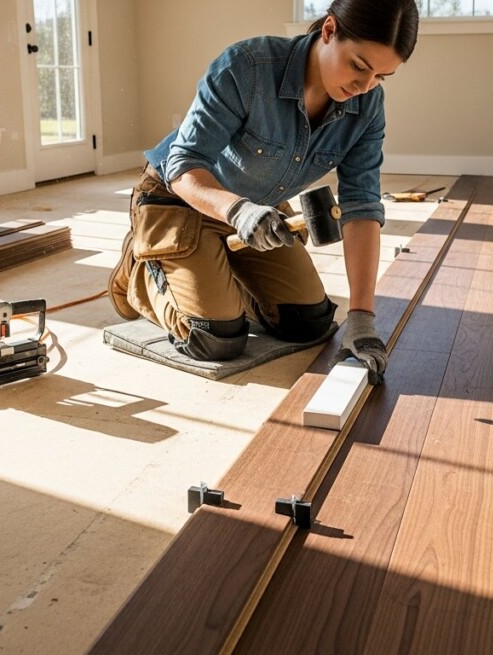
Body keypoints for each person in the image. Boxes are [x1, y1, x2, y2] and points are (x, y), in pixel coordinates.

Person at [109, 0, 419, 384]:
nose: (364, 86)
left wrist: (361, 317)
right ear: (328, 31)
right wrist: (237, 211)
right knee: (216, 337)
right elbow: (183, 166)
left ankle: (213, 266)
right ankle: (138, 267)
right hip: (180, 200)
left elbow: (362, 206)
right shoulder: (247, 67)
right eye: (358, 66)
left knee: (309, 322)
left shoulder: (367, 106)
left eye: (381, 77)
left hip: (256, 213)